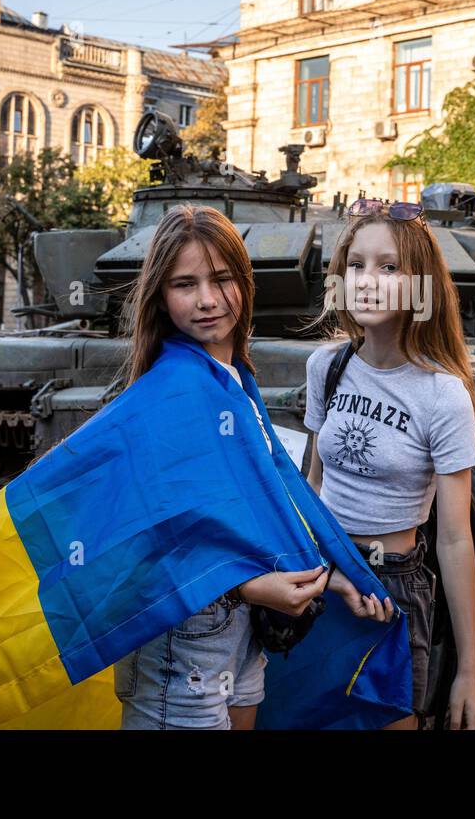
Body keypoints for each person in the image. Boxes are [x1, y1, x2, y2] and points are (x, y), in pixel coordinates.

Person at [113, 204, 391, 730]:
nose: (208, 300)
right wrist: (248, 587)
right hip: (185, 635)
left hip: (236, 631)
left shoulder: (234, 377)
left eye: (221, 279)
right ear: (160, 296)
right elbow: (152, 539)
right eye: (184, 284)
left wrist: (328, 576)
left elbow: (257, 504)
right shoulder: (172, 391)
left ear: (245, 281)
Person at [303, 197, 475, 730]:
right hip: (322, 577)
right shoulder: (326, 367)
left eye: (388, 267)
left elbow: (454, 540)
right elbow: (314, 481)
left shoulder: (442, 395)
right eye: (355, 265)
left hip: (392, 589)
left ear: (419, 283)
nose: (367, 280)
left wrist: (469, 670)